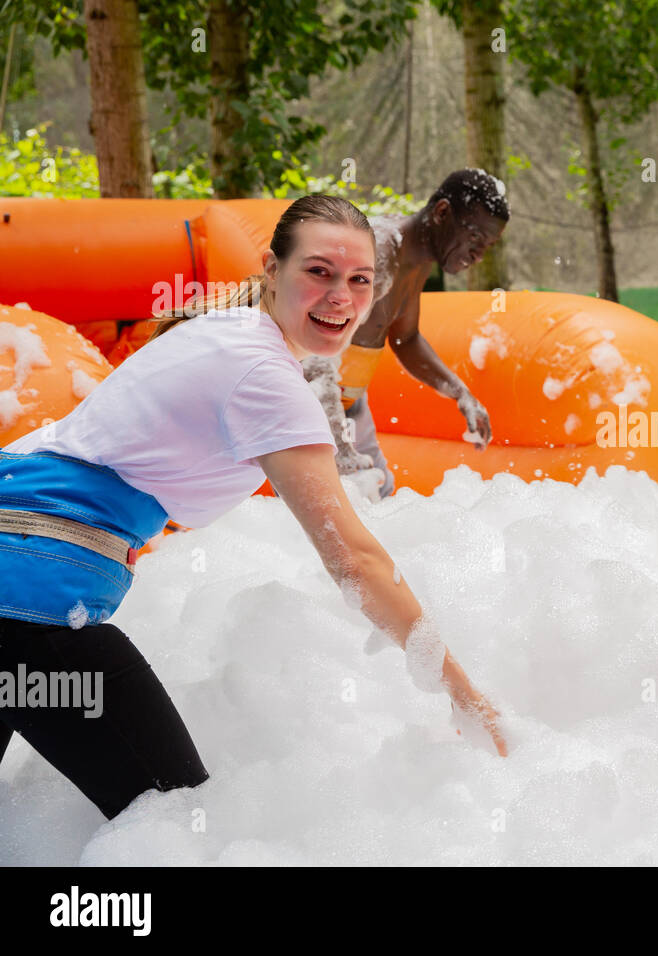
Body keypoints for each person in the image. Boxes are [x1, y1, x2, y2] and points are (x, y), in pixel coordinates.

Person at [0, 195, 507, 821]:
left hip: (21, 584)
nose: (341, 298)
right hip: (28, 602)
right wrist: (460, 691)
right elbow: (354, 560)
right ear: (272, 268)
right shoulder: (263, 376)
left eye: (360, 280)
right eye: (318, 272)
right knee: (177, 823)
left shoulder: (224, 331)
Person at [306, 169, 510, 498]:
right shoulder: (379, 248)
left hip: (350, 402)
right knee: (337, 507)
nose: (478, 255)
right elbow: (313, 348)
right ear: (442, 212)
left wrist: (462, 394)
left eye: (487, 246)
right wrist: (338, 447)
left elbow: (406, 338)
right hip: (311, 400)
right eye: (475, 238)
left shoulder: (417, 261)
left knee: (381, 492)